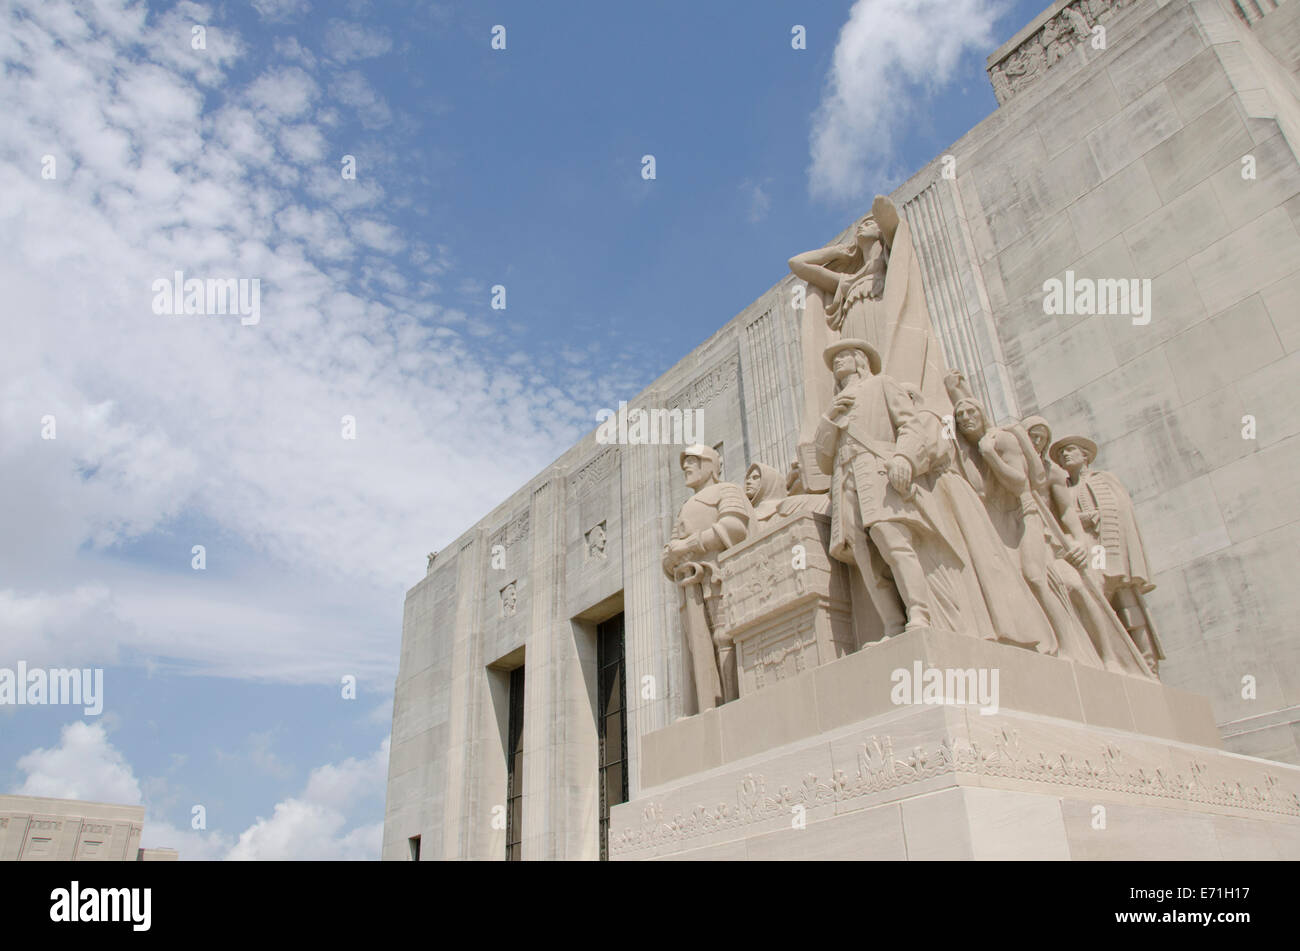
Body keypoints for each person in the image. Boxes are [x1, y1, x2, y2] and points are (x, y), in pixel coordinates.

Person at [813, 340, 1055, 651]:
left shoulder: (882, 384)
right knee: (865, 556)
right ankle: (892, 623)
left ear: (860, 360)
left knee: (893, 542)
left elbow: (910, 426)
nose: (837, 362)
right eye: (834, 359)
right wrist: (828, 420)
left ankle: (919, 613)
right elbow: (823, 459)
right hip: (846, 483)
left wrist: (904, 458)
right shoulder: (833, 408)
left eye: (844, 356)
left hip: (877, 473)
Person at [1052, 435, 1165, 674]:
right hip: (1082, 551)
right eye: (1061, 452)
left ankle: (1147, 664)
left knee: (1128, 604)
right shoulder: (1062, 488)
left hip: (1106, 548)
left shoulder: (1102, 480)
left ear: (1085, 455)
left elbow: (1116, 511)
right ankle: (1108, 657)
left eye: (1070, 450)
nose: (1065, 455)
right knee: (1093, 598)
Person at [663, 444, 753, 709]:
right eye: (684, 464)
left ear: (709, 464)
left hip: (721, 577)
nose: (686, 468)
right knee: (698, 648)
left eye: (692, 461)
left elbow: (734, 527)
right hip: (692, 587)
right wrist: (671, 557)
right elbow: (671, 551)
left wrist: (690, 545)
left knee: (725, 635)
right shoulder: (684, 508)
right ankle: (710, 704)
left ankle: (733, 700)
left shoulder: (727, 491)